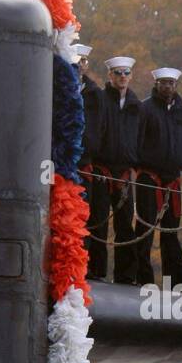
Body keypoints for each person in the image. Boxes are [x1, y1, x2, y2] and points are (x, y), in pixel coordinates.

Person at [134, 69, 182, 288]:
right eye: (163, 83)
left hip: (173, 178)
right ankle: (142, 278)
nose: (167, 87)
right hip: (149, 176)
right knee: (145, 228)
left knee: (170, 232)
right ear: (157, 84)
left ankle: (176, 281)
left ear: (175, 85)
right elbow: (136, 139)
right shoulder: (145, 108)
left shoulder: (181, 111)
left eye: (171, 83)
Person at [90, 56, 143, 284]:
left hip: (124, 172)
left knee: (125, 224)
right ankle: (96, 271)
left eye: (126, 73)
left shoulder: (136, 105)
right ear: (110, 76)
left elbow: (140, 137)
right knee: (98, 221)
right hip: (102, 170)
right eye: (118, 73)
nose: (122, 77)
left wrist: (134, 161)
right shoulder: (101, 99)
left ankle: (125, 274)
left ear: (130, 77)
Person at [74, 44, 109, 276]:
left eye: (83, 61)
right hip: (60, 164)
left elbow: (99, 129)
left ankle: (85, 269)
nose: (79, 65)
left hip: (84, 163)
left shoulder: (95, 95)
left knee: (86, 218)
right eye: (76, 61)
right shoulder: (56, 87)